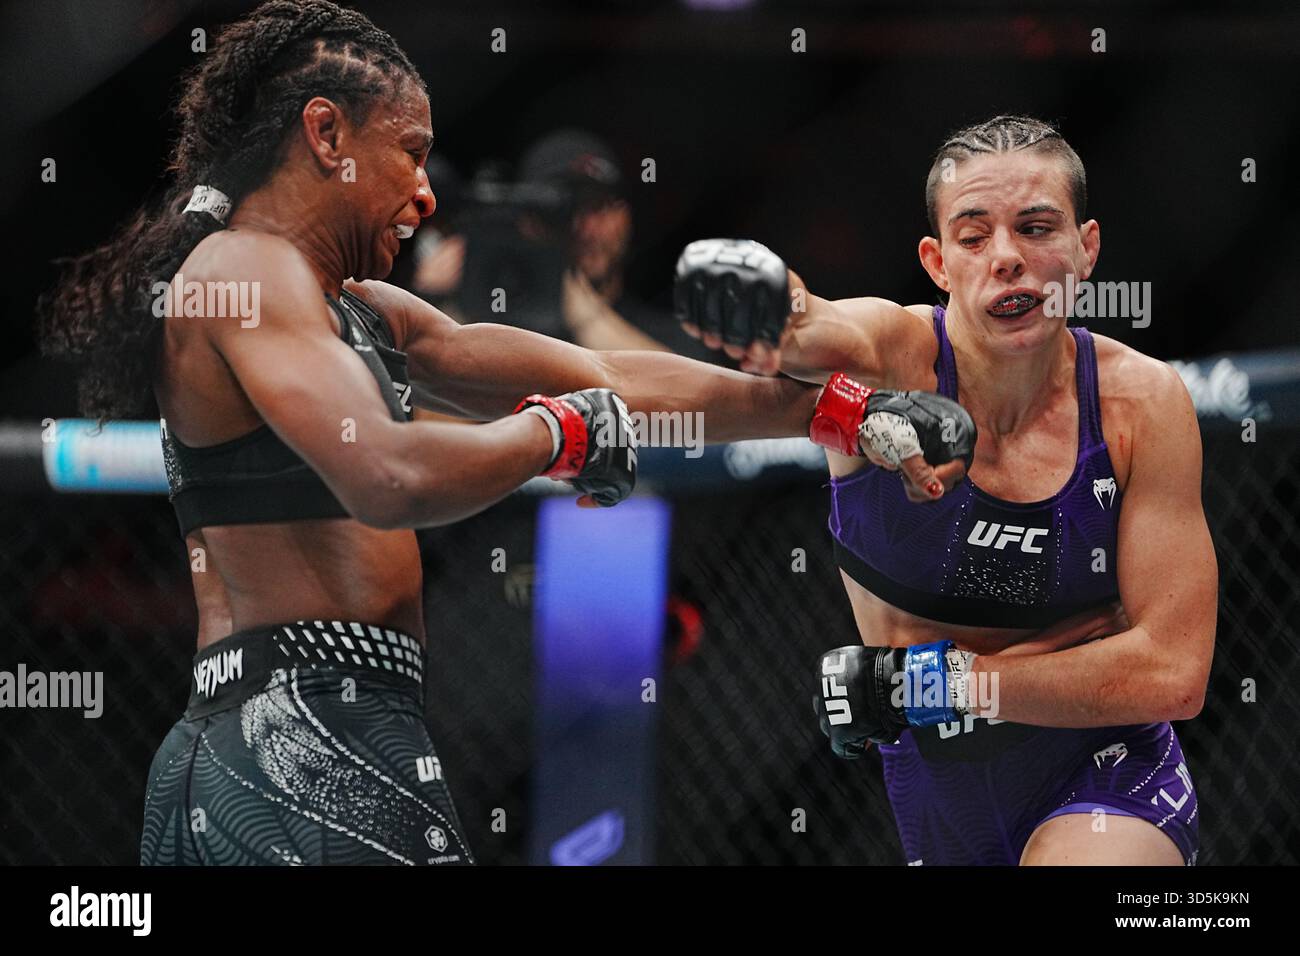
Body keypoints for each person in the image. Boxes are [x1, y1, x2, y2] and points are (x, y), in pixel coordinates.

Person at [38, 0, 945, 866]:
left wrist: (837, 411)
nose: (428, 194)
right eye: (411, 153)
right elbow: (387, 475)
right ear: (325, 136)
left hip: (296, 730)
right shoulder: (246, 266)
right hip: (300, 731)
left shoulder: (360, 310)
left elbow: (614, 377)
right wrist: (554, 439)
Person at [674, 115, 1217, 865]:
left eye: (1036, 229)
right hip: (937, 794)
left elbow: (1173, 672)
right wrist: (770, 300)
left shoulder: (1142, 405)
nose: (1008, 260)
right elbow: (821, 329)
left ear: (1086, 248)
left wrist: (942, 682)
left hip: (1105, 774)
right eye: (974, 236)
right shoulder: (896, 358)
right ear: (936, 261)